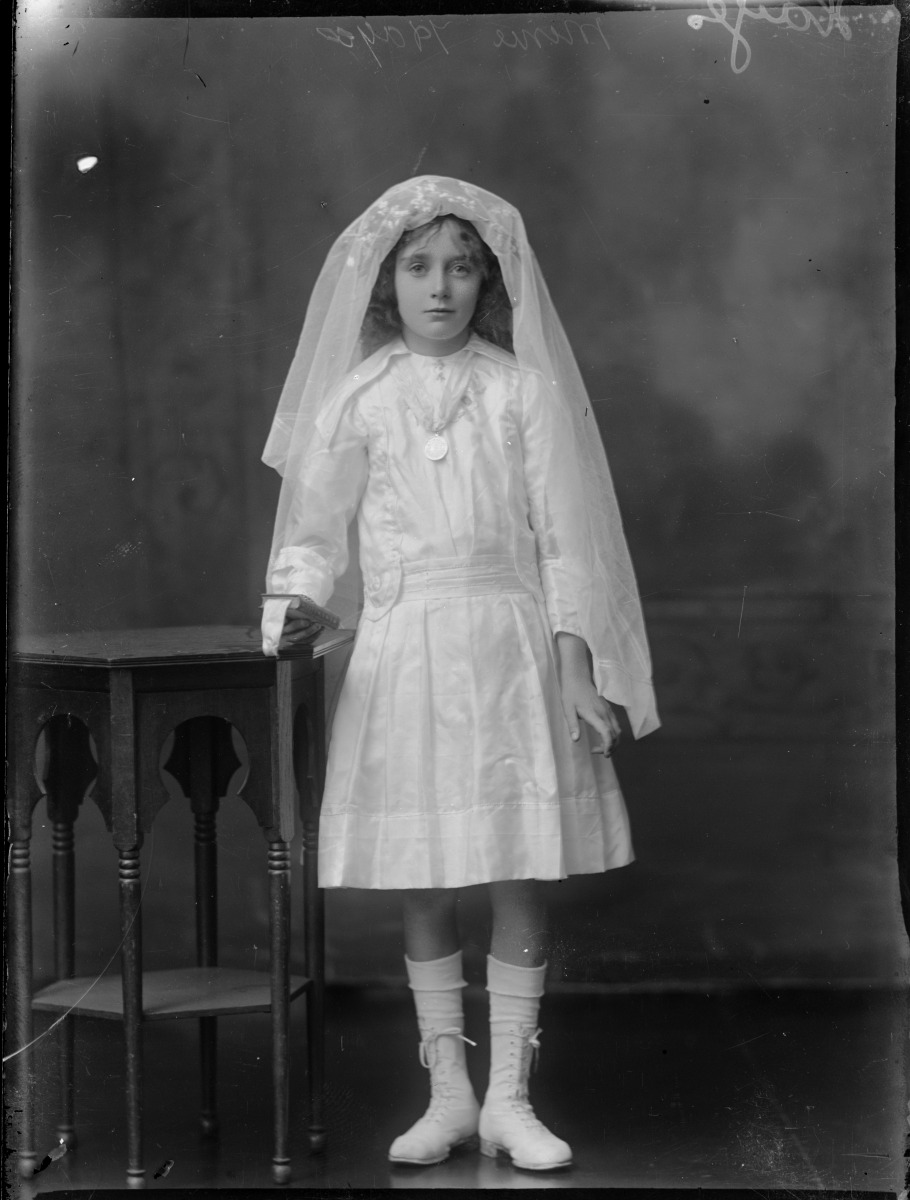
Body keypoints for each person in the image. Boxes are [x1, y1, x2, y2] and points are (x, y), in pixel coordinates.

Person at [260, 176, 659, 1172]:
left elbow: (564, 542)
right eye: (419, 267)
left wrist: (574, 670)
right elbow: (312, 535)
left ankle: (511, 1103)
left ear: (488, 282)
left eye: (461, 268)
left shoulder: (521, 393)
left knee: (517, 867)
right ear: (385, 283)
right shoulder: (358, 395)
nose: (440, 287)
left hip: (510, 648)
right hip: (401, 650)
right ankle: (448, 1093)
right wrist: (294, 609)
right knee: (428, 876)